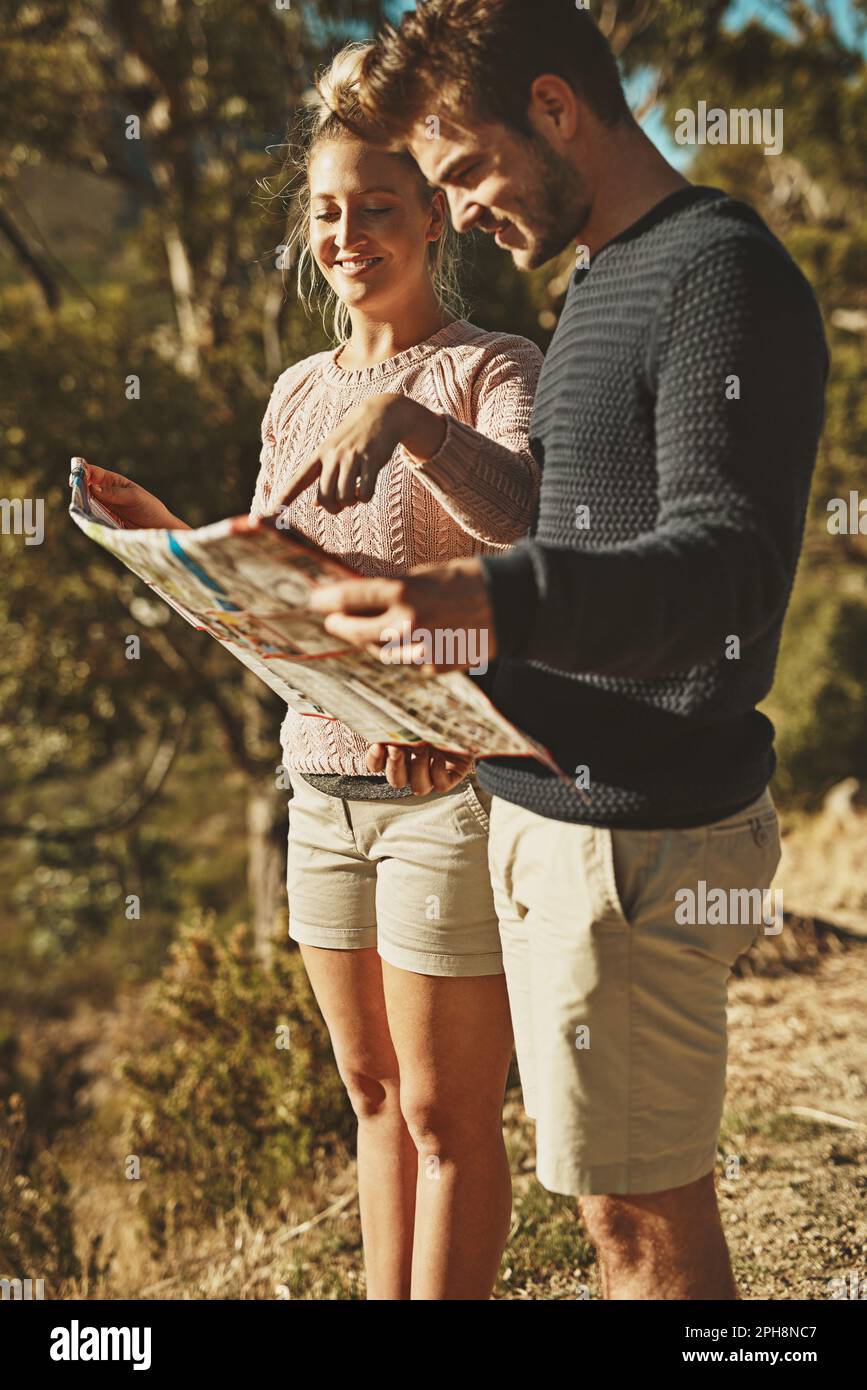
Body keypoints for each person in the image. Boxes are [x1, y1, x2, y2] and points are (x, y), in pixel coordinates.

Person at [309, 1, 830, 1300]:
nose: (465, 209)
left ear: (554, 108)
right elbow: (587, 556)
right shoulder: (596, 283)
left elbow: (721, 572)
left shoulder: (716, 272)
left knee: (637, 1239)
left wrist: (493, 605)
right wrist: (464, 687)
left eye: (466, 172)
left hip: (636, 833)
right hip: (556, 813)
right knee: (616, 1218)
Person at [79, 41, 543, 1301]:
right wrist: (170, 539)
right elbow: (281, 608)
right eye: (329, 211)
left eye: (377, 209)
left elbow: (528, 526)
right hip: (322, 798)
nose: (347, 235)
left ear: (436, 215)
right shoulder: (292, 393)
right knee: (373, 1094)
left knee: (452, 1118)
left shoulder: (489, 368)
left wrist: (414, 423)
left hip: (448, 798)